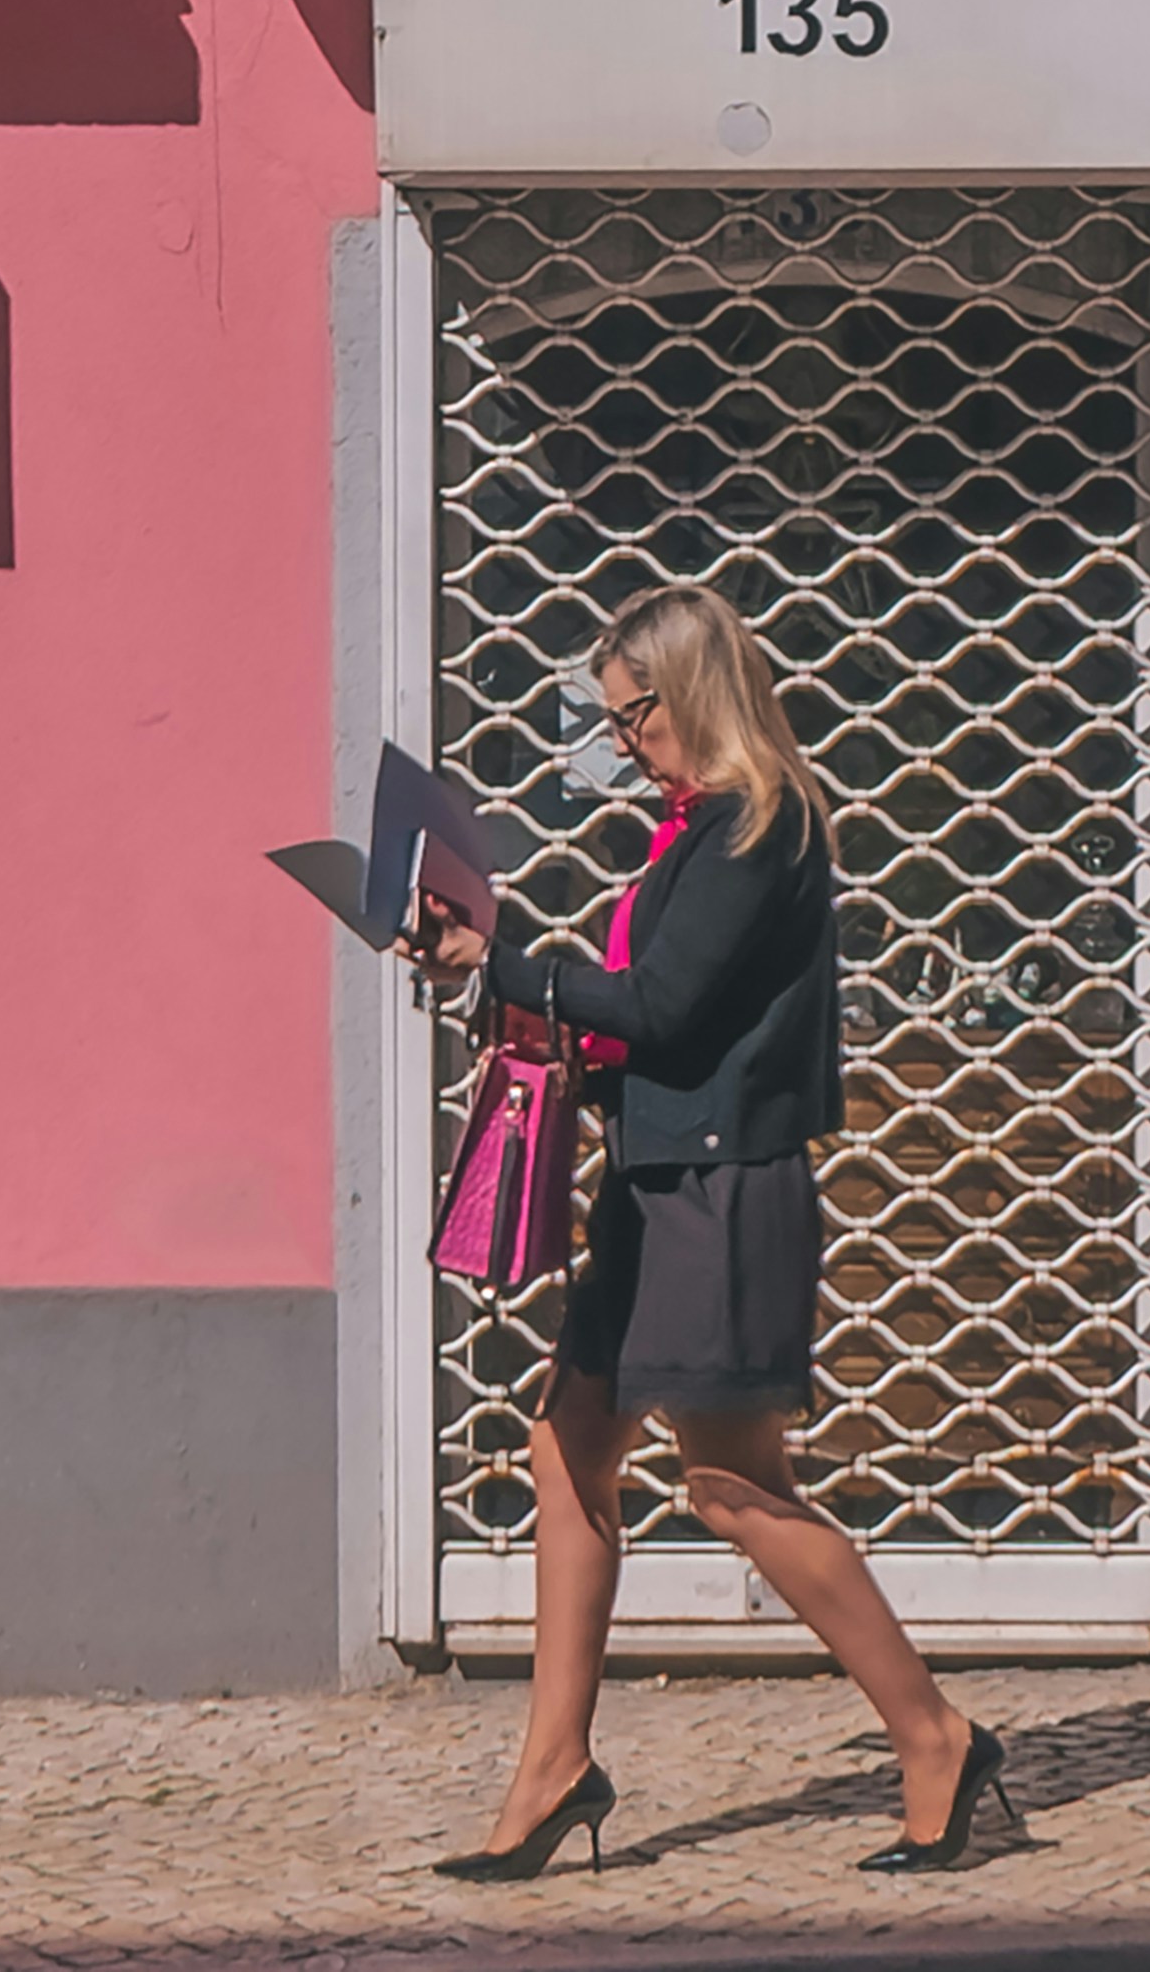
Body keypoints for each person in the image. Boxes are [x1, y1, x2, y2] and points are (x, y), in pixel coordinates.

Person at [415, 580, 1020, 1884]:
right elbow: (641, 1017)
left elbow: (668, 1005)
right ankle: (554, 1765)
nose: (622, 740)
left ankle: (935, 1736)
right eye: (613, 717)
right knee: (567, 1439)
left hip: (725, 1188)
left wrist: (508, 959)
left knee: (732, 1487)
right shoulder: (691, 831)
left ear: (687, 692)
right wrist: (499, 986)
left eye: (630, 713)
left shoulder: (760, 823)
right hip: (654, 1178)